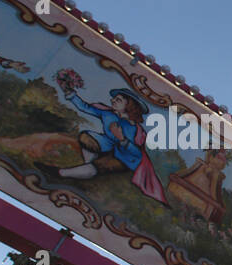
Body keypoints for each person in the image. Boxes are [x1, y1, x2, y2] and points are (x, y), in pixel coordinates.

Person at [37, 82, 168, 205]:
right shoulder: (108, 114)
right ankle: (88, 169)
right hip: (109, 145)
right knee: (85, 136)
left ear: (129, 106)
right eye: (114, 99)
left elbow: (136, 153)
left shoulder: (134, 129)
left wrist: (122, 139)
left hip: (125, 158)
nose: (112, 101)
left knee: (102, 164)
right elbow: (85, 107)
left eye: (118, 100)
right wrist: (70, 93)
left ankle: (60, 173)